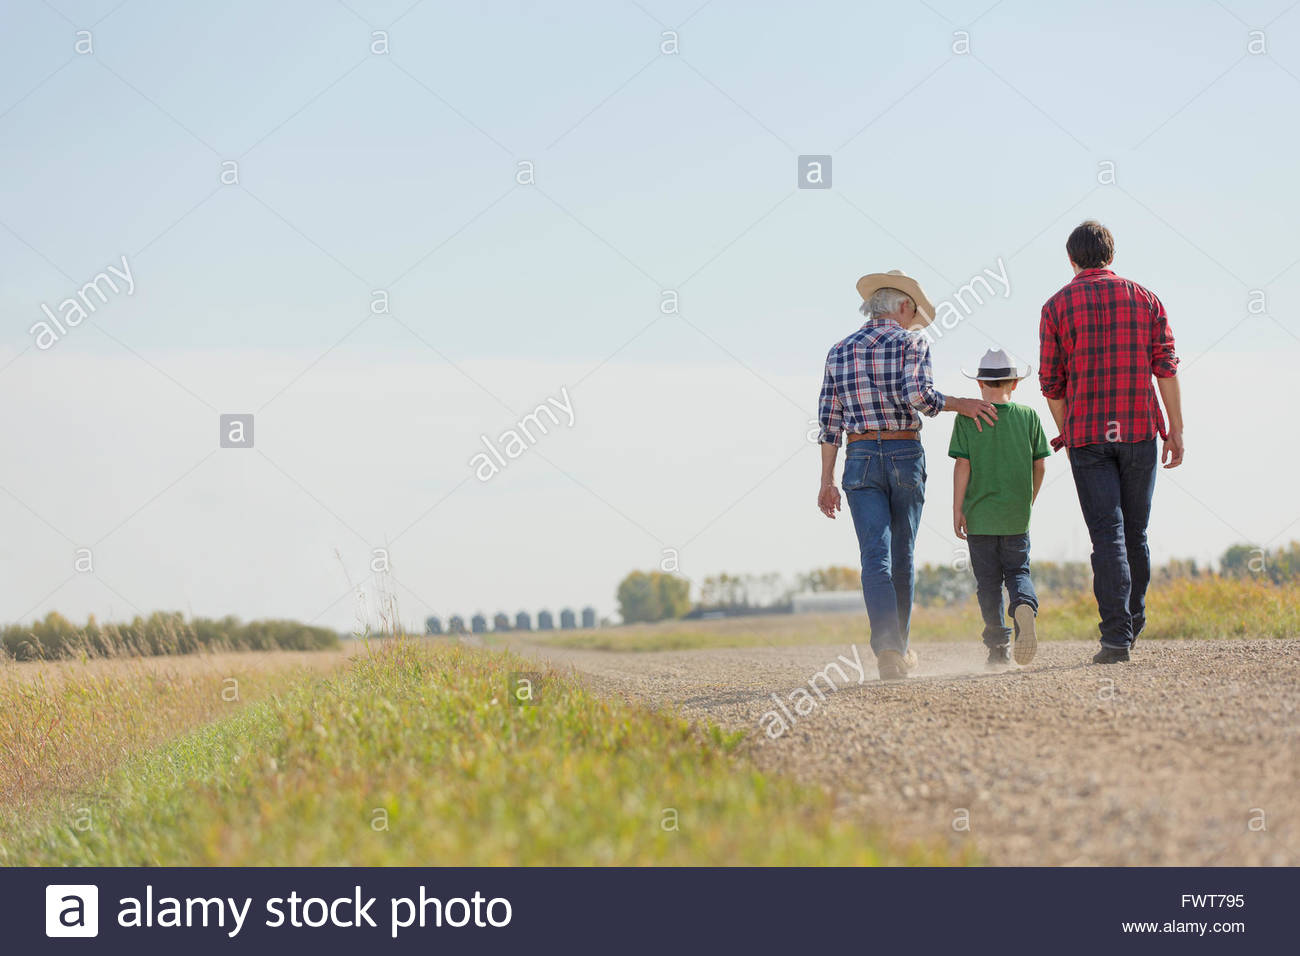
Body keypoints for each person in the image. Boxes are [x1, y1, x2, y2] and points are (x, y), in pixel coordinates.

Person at [817, 270, 998, 680]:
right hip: (902, 451)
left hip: (859, 454)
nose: (916, 321)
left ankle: (887, 648)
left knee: (874, 558)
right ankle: (898, 648)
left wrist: (827, 480)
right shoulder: (911, 341)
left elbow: (829, 422)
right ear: (902, 305)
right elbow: (919, 397)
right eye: (914, 313)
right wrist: (962, 404)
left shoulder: (838, 351)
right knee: (902, 556)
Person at [1039, 221, 1184, 664]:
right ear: (1111, 255)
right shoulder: (1146, 298)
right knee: (1135, 533)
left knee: (1107, 536)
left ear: (1071, 259)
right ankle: (1133, 622)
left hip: (1088, 436)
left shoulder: (1055, 306)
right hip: (1139, 430)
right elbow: (1166, 368)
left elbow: (1051, 383)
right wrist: (1175, 429)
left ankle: (1116, 636)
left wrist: (1068, 430)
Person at [949, 349, 1050, 668]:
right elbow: (1041, 466)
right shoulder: (1029, 416)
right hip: (1016, 516)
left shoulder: (967, 416)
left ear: (980, 383)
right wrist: (1027, 502)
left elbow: (962, 466)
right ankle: (1023, 605)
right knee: (1018, 572)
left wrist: (957, 509)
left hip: (980, 518)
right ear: (1016, 383)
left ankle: (998, 648)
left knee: (988, 584)